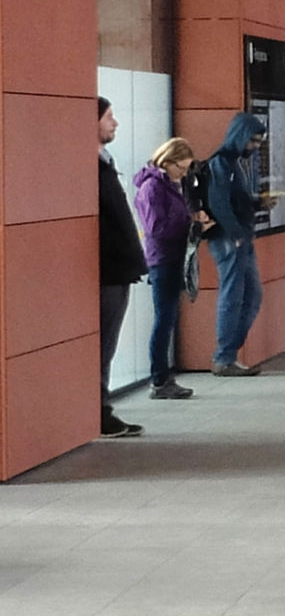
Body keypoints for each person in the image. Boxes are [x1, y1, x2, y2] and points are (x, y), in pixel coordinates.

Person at [131, 136, 208, 405]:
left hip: (174, 256)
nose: (185, 174)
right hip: (161, 258)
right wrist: (189, 223)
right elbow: (155, 229)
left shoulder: (173, 184)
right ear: (167, 161)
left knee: (169, 317)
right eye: (182, 168)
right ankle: (160, 379)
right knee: (164, 319)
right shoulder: (152, 187)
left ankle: (164, 377)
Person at [95, 99, 148, 436]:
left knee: (107, 343)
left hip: (118, 269)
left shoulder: (105, 164)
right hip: (109, 270)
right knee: (102, 344)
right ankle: (99, 410)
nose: (115, 123)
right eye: (108, 117)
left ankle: (100, 407)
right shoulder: (93, 169)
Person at [203, 111, 269, 376]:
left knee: (252, 295)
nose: (254, 147)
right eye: (252, 141)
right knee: (233, 296)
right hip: (231, 239)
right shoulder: (221, 164)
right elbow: (219, 203)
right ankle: (224, 356)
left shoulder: (233, 164)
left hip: (240, 235)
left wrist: (257, 202)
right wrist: (237, 233)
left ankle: (228, 353)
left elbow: (233, 201)